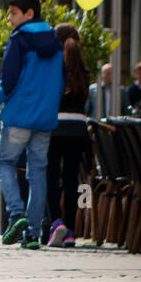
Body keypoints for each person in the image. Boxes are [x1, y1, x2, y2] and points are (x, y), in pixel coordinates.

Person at [0, 0, 64, 249]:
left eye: (13, 13)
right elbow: (60, 82)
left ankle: (17, 214)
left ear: (29, 13)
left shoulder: (19, 40)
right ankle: (32, 233)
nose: (9, 18)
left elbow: (7, 82)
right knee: (38, 173)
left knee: (4, 163)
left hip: (19, 116)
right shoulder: (56, 41)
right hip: (45, 119)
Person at [45, 23, 91, 247]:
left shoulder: (53, 66)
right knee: (72, 179)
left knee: (51, 177)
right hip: (78, 129)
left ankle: (56, 222)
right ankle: (71, 231)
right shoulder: (83, 69)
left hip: (55, 127)